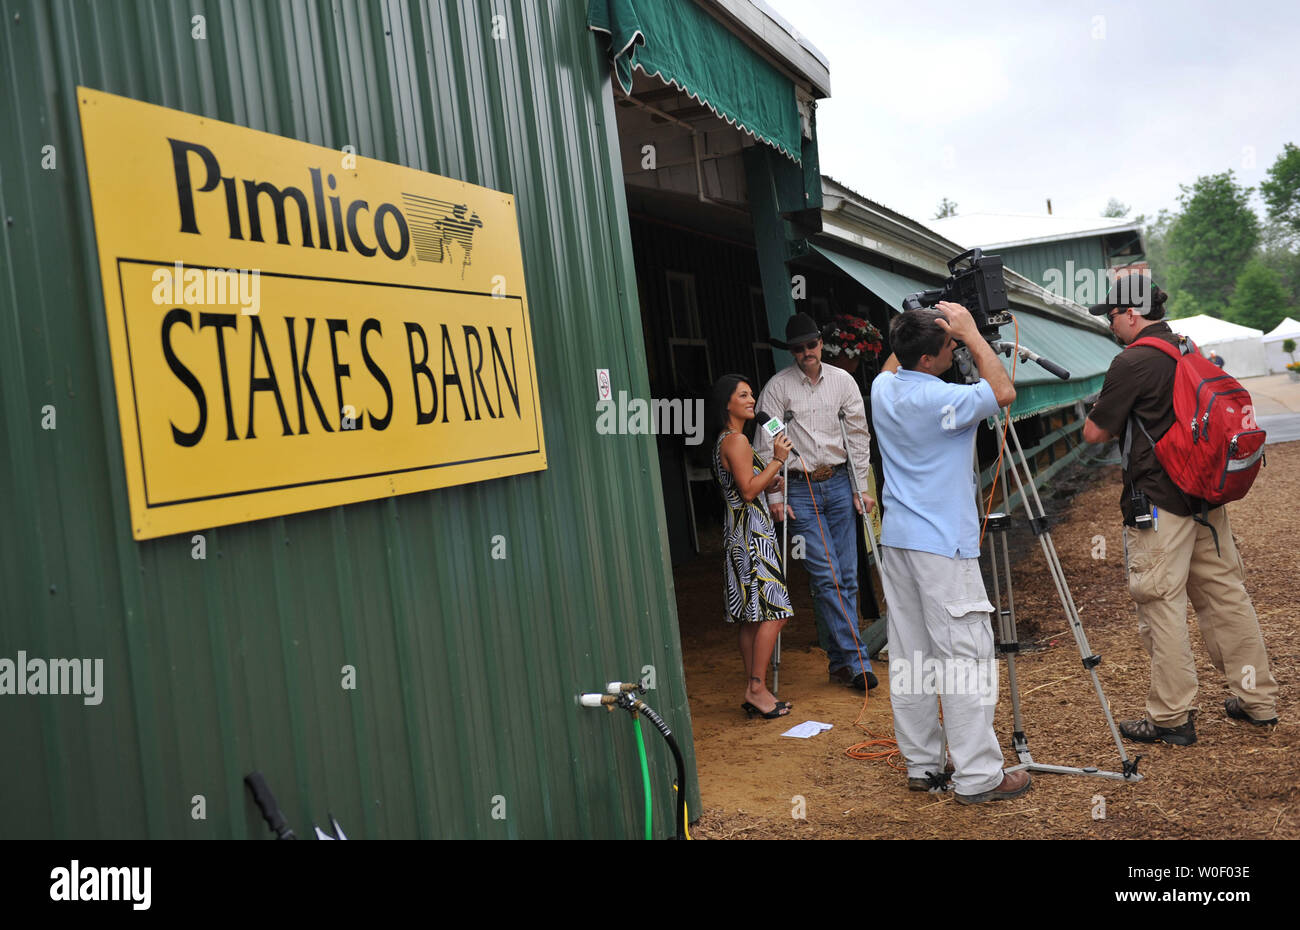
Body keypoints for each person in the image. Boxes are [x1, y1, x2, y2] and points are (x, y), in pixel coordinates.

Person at [1081, 275, 1279, 745]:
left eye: (1112, 315)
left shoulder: (1131, 361)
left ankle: (1171, 717)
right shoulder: (1187, 347)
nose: (1111, 324)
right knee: (1226, 598)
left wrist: (1106, 407)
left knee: (1161, 604)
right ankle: (1256, 700)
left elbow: (1094, 432)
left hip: (1158, 504)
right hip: (1205, 497)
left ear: (1132, 314)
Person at [871, 302, 1030, 804]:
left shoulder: (883, 389)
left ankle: (922, 764)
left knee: (912, 656)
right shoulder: (943, 399)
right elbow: (1003, 392)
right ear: (927, 359)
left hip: (899, 541)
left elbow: (893, 363)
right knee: (964, 657)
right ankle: (979, 775)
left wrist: (915, 323)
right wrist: (974, 333)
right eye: (948, 346)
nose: (954, 350)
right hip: (942, 546)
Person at [754, 313, 877, 691]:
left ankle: (840, 662)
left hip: (838, 483)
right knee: (826, 577)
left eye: (811, 345)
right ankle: (858, 661)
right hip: (799, 489)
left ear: (821, 344)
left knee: (848, 577)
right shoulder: (777, 388)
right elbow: (766, 444)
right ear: (791, 351)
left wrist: (860, 487)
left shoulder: (843, 381)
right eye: (798, 348)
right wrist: (775, 495)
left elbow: (857, 436)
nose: (806, 352)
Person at [708, 374, 796, 719]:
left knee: (752, 617)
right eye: (742, 395)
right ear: (726, 403)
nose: (751, 400)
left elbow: (747, 484)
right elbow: (747, 491)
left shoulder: (726, 440)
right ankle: (756, 688)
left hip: (739, 531)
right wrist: (777, 460)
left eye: (751, 394)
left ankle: (755, 689)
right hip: (752, 534)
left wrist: (768, 479)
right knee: (776, 612)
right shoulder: (737, 441)